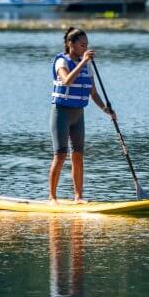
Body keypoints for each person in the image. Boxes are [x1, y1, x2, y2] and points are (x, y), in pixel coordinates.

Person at [49, 27, 115, 204]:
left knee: (78, 155)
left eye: (87, 45)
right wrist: (83, 61)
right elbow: (67, 80)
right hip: (61, 113)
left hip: (78, 115)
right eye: (82, 44)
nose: (85, 48)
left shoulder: (86, 66)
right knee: (60, 155)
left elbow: (93, 92)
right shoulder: (61, 62)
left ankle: (78, 196)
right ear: (71, 44)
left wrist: (106, 110)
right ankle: (52, 197)